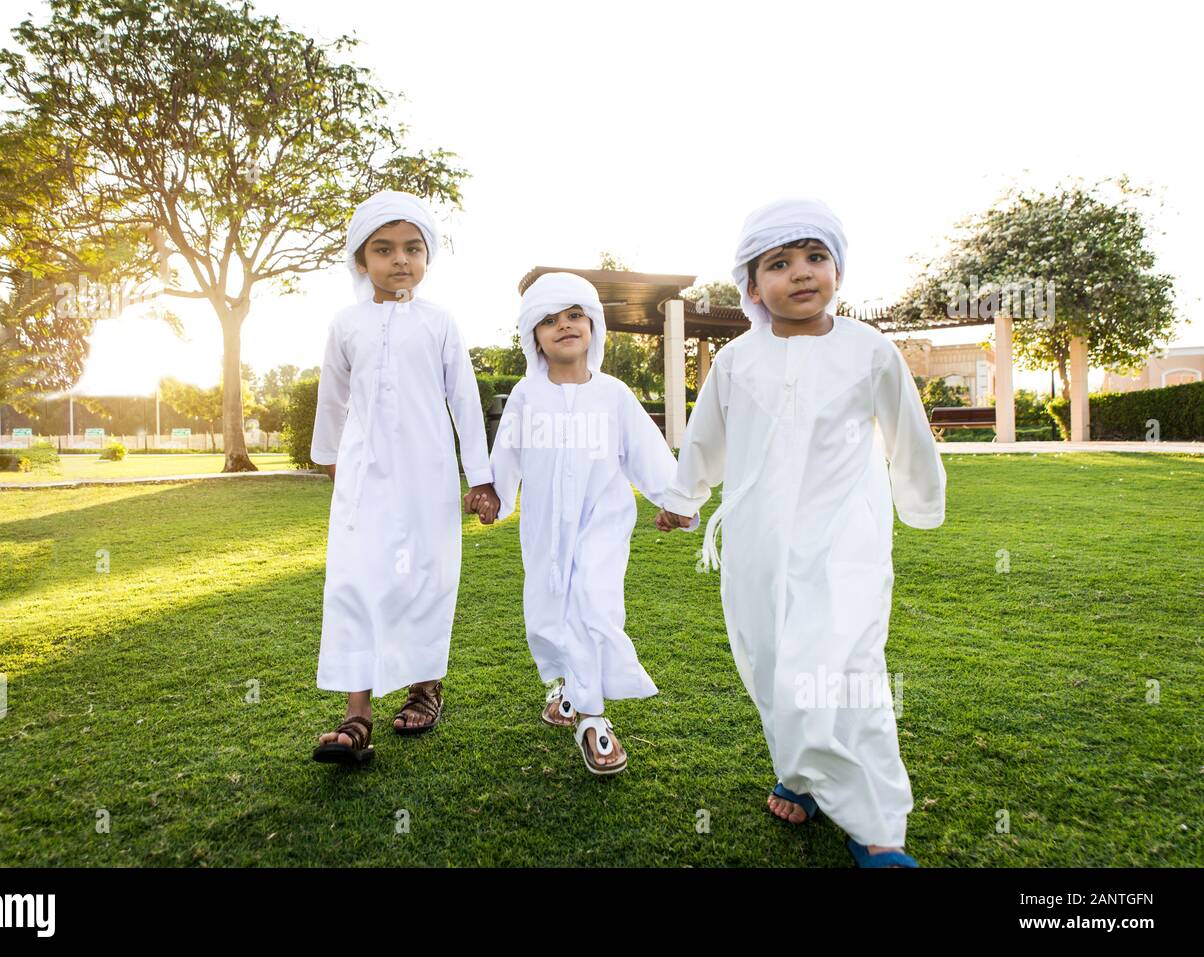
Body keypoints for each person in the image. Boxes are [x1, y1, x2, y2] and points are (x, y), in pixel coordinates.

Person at [656, 198, 945, 866]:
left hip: (846, 539)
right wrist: (684, 497)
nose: (801, 273)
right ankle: (801, 768)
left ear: (838, 269)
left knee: (847, 669)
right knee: (774, 661)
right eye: (779, 263)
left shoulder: (870, 350)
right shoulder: (735, 360)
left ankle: (877, 826)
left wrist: (920, 501)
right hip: (759, 544)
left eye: (816, 256)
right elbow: (707, 441)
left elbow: (908, 433)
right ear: (752, 286)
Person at [309, 190, 499, 765]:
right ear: (360, 259)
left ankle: (425, 687)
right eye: (384, 249)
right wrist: (336, 465)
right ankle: (356, 713)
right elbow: (332, 402)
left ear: (427, 257)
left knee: (426, 576)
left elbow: (465, 403)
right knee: (354, 580)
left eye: (412, 249)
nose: (399, 260)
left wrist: (480, 479)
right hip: (366, 478)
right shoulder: (345, 323)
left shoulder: (440, 323)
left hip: (429, 475)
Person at [484, 272, 697, 775]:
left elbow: (649, 454)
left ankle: (592, 717)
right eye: (549, 320)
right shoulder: (525, 396)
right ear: (532, 335)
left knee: (594, 605)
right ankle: (565, 688)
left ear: (594, 324)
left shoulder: (615, 395)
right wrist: (494, 494)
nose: (564, 326)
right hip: (543, 531)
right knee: (548, 610)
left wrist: (677, 502)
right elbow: (507, 456)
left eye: (575, 315)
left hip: (603, 525)